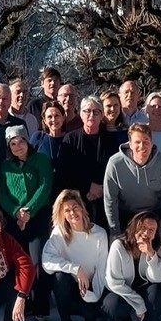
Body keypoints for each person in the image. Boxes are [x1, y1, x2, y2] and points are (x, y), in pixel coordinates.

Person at [0, 126, 54, 321]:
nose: (17, 146)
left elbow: (45, 186)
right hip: (14, 219)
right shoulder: (6, 166)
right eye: (13, 144)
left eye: (21, 141)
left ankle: (41, 305)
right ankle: (23, 301)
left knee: (37, 260)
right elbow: (2, 194)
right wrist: (17, 213)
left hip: (37, 216)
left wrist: (28, 211)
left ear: (27, 141)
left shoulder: (40, 160)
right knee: (18, 261)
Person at [42, 190, 109, 321]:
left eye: (75, 207)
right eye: (67, 210)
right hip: (70, 290)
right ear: (62, 214)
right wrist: (76, 268)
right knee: (59, 277)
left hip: (92, 289)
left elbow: (101, 269)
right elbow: (47, 261)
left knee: (93, 309)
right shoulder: (59, 233)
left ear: (82, 207)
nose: (72, 213)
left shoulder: (99, 233)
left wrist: (95, 295)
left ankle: (90, 318)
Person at [103, 211, 161, 321]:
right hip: (121, 290)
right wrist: (139, 304)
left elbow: (159, 278)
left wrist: (151, 254)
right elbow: (114, 282)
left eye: (151, 230)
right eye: (143, 228)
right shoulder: (119, 245)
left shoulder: (156, 245)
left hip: (145, 288)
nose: (146, 233)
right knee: (112, 305)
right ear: (135, 227)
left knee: (158, 294)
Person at [103, 124, 161, 237]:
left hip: (153, 214)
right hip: (126, 215)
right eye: (137, 142)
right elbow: (110, 199)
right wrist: (115, 232)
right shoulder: (115, 163)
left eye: (146, 141)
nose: (142, 146)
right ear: (130, 144)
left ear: (152, 143)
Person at [57, 97, 121, 227]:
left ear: (102, 114)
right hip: (77, 201)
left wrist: (101, 189)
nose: (91, 115)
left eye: (96, 112)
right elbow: (63, 172)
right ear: (80, 114)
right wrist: (88, 187)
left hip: (104, 200)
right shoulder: (70, 139)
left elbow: (116, 170)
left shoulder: (110, 140)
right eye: (87, 111)